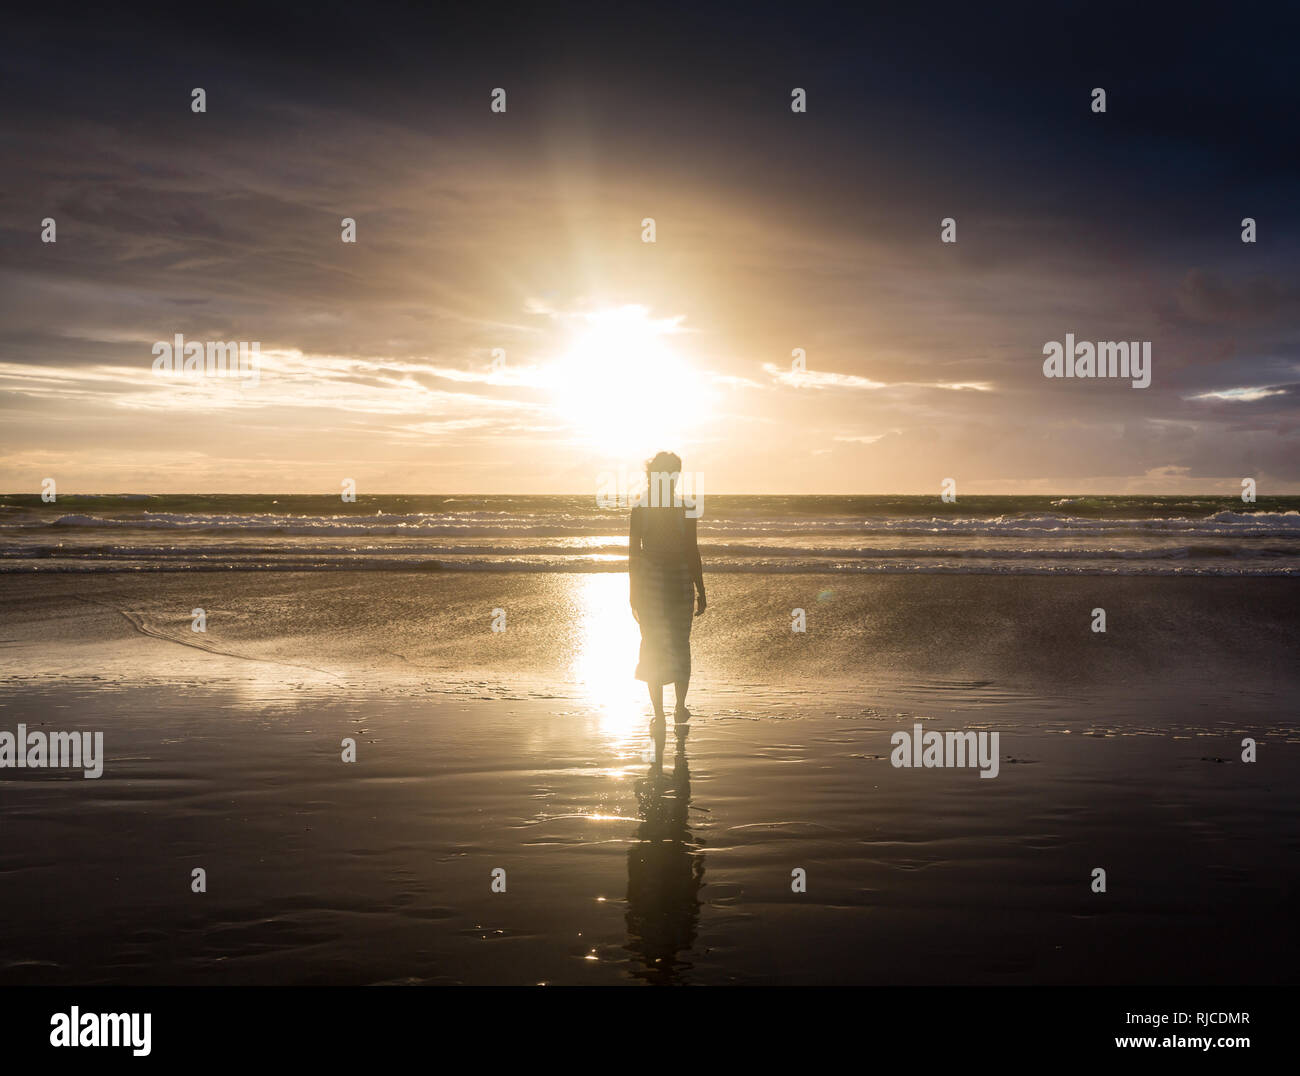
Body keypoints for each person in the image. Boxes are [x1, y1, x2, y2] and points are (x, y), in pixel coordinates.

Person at [628, 452, 706, 744]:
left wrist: (633, 590)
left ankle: (662, 712)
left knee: (654, 644)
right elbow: (691, 551)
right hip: (676, 580)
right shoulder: (684, 507)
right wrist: (700, 588)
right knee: (677, 644)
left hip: (652, 581)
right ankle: (678, 707)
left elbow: (634, 554)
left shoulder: (641, 509)